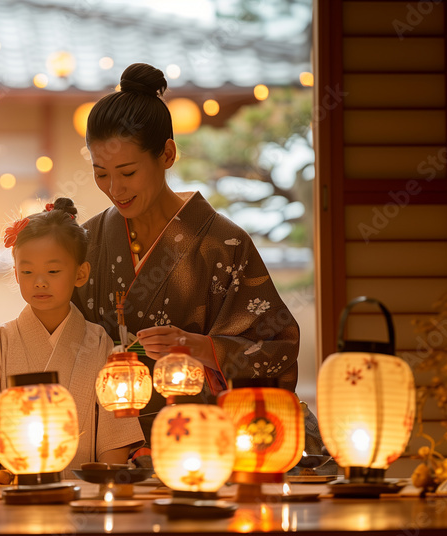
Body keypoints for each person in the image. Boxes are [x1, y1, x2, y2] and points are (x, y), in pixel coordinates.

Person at [75, 62, 310, 451]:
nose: (114, 188)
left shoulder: (223, 243)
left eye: (127, 172)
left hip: (201, 441)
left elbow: (277, 348)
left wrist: (197, 346)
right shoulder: (89, 240)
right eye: (101, 174)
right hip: (106, 443)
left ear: (167, 154)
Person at [0, 198, 143, 477]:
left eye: (53, 271)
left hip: (81, 487)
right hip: (14, 486)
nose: (40, 282)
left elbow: (113, 427)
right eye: (28, 271)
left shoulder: (98, 342)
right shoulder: (0, 342)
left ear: (80, 273)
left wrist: (108, 480)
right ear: (16, 275)